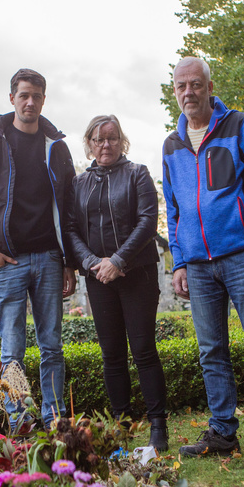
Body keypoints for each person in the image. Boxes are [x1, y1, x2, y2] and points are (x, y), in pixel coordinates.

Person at [161, 57, 244, 467]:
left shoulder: (240, 126)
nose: (189, 92)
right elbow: (174, 209)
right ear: (175, 92)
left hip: (243, 257)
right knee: (211, 351)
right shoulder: (171, 145)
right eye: (181, 86)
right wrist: (179, 261)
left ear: (209, 86)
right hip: (199, 266)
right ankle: (222, 432)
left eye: (195, 84)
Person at [0, 68, 76, 430]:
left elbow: (68, 207)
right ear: (12, 98)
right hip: (6, 262)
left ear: (43, 99)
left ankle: (54, 420)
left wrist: (69, 260)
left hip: (49, 259)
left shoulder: (56, 146)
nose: (30, 102)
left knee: (52, 347)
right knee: (12, 352)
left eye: (37, 96)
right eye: (24, 95)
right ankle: (20, 421)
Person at [62, 115, 169, 451]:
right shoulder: (79, 184)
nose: (104, 145)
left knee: (143, 350)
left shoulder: (137, 174)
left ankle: (157, 425)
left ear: (122, 141)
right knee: (112, 356)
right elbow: (70, 230)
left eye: (111, 138)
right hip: (98, 278)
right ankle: (121, 424)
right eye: (97, 139)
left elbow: (148, 221)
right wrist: (94, 263)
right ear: (89, 144)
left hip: (137, 273)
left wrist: (118, 261)